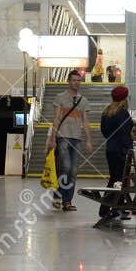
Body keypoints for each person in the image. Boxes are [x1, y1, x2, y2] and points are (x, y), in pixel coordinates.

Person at [46, 68, 93, 212]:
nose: (76, 83)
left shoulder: (83, 101)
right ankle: (57, 197)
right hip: (62, 137)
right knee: (65, 167)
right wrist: (52, 138)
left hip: (76, 138)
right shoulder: (60, 98)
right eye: (74, 80)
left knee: (73, 171)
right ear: (68, 81)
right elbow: (57, 118)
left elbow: (85, 121)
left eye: (79, 81)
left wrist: (88, 140)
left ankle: (67, 201)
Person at [98, 86, 136, 220]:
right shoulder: (123, 113)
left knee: (115, 179)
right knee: (118, 180)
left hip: (111, 149)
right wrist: (129, 147)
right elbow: (126, 133)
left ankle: (118, 208)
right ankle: (106, 208)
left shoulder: (107, 112)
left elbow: (104, 131)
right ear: (125, 98)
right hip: (122, 150)